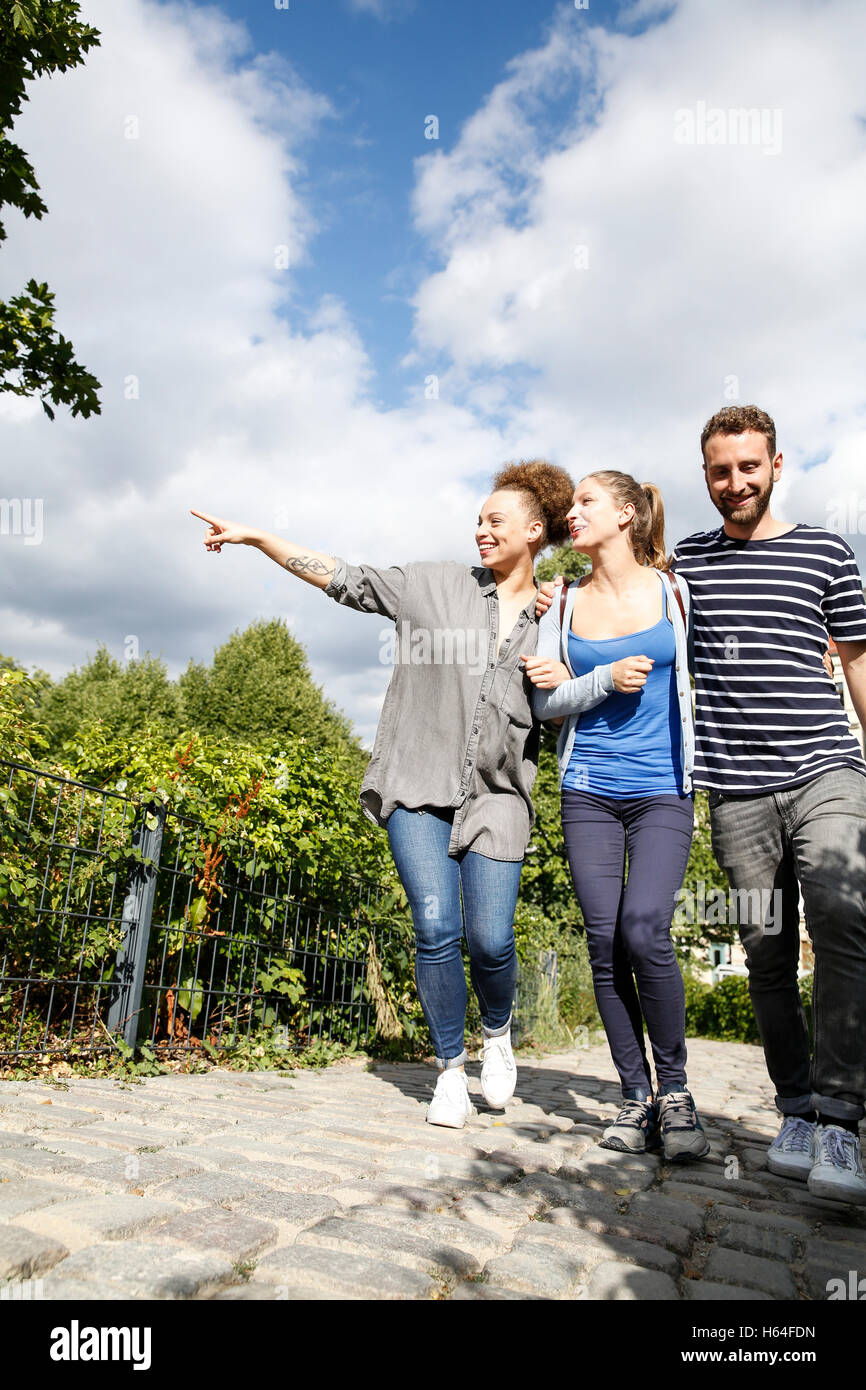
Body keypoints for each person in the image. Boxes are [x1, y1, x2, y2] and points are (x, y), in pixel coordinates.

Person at [190, 460, 575, 1128]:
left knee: (490, 940)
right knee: (434, 927)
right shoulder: (433, 585)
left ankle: (498, 1031)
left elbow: (570, 702)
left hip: (499, 798)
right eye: (478, 520)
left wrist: (562, 676)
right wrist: (258, 538)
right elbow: (345, 578)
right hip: (417, 780)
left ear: (535, 529)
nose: (480, 530)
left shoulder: (559, 612)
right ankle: (450, 1070)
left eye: (495, 520)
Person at [668, 404, 866, 1205]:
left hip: (828, 768)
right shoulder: (686, 561)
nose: (735, 482)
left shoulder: (827, 552)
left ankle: (844, 1121)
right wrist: (555, 606)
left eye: (749, 467)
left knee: (845, 914)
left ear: (776, 466)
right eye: (720, 470)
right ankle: (796, 1109)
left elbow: (856, 663)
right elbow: (625, 600)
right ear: (706, 474)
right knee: (767, 950)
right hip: (737, 789)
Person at [522, 471, 710, 1163]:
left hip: (664, 787)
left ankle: (677, 1093)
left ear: (627, 515)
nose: (572, 514)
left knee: (644, 928)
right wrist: (600, 681)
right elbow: (545, 704)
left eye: (586, 502)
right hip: (589, 791)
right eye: (572, 504)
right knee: (604, 943)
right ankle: (636, 1094)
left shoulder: (676, 591)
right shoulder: (562, 602)